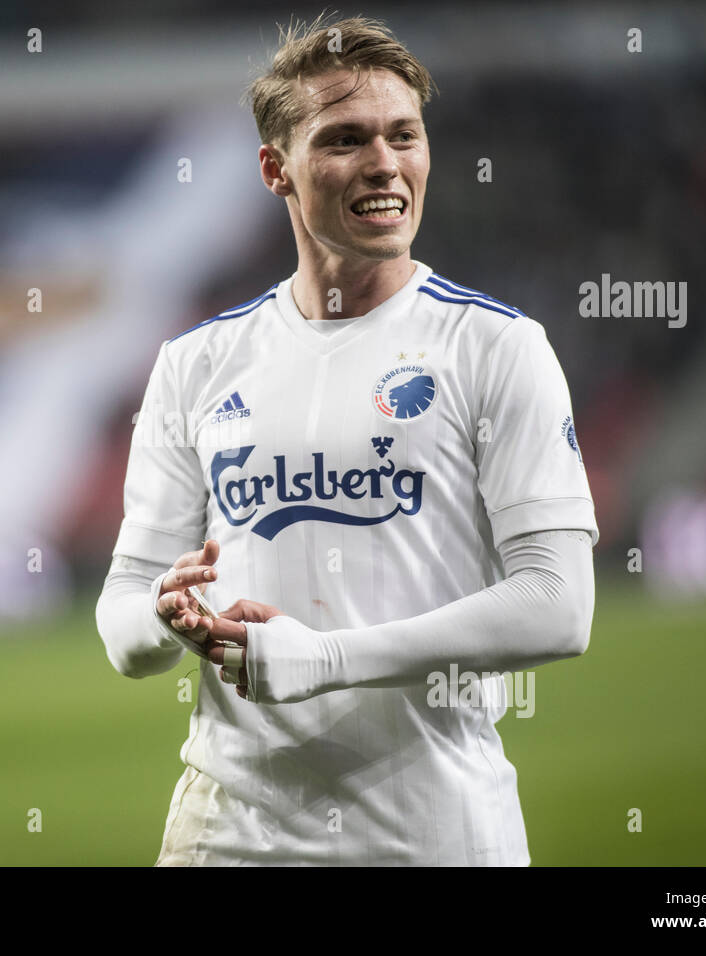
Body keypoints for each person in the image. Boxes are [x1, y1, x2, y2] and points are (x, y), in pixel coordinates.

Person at [95, 13, 598, 866]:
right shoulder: (197, 362)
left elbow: (559, 603)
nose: (384, 165)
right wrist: (164, 614)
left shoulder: (495, 348)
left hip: (436, 838)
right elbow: (123, 627)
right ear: (275, 170)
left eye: (405, 135)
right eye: (344, 139)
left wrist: (326, 657)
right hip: (228, 840)